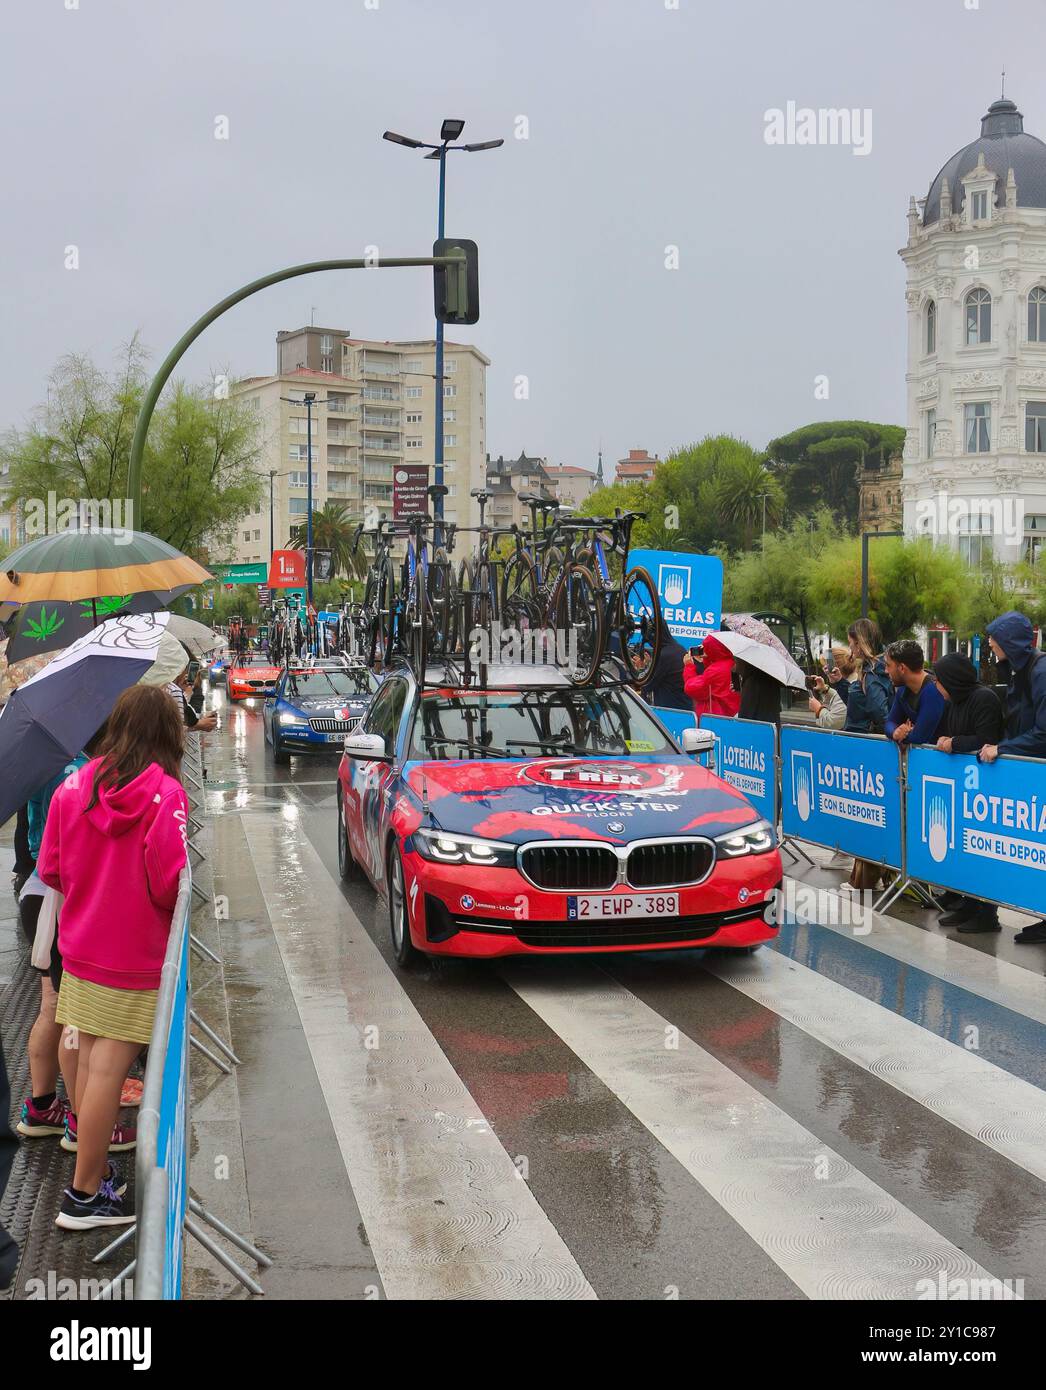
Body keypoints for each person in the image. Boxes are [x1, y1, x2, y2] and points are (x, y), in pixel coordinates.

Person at [37, 685, 188, 1230]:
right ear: (167, 733)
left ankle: (94, 1176)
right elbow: (169, 883)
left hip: (79, 949)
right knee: (106, 1068)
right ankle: (82, 1194)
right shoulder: (165, 795)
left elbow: (49, 869)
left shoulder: (70, 786)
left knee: (83, 1053)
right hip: (135, 956)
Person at [978, 611, 1046, 944]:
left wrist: (1003, 749)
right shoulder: (1020, 670)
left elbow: (1044, 732)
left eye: (995, 638)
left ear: (1011, 641)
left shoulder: (1041, 672)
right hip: (1030, 772)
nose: (989, 643)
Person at [932, 653, 1005, 933]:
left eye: (940, 681)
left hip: (985, 788)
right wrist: (945, 741)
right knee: (964, 846)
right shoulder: (955, 702)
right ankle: (969, 903)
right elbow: (953, 735)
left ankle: (988, 913)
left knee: (981, 848)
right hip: (964, 786)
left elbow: (986, 740)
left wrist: (955, 743)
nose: (937, 687)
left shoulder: (983, 698)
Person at [832, 619, 892, 734]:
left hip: (863, 741)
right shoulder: (875, 667)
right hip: (864, 739)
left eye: (850, 641)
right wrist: (839, 682)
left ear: (859, 643)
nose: (849, 646)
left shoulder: (872, 673)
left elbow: (879, 712)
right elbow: (859, 704)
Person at [884, 639, 946, 747]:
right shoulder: (903, 689)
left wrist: (904, 733)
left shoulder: (933, 692)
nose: (885, 671)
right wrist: (896, 732)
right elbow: (889, 723)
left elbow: (920, 736)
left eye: (888, 666)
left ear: (902, 668)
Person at [682, 634, 740, 717]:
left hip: (712, 718)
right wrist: (708, 658)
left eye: (707, 647)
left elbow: (691, 688)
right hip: (732, 714)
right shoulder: (734, 664)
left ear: (713, 649)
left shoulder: (715, 670)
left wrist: (689, 666)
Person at [641, 626, 690, 711]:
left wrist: (642, 668)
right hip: (684, 707)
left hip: (670, 710)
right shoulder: (679, 648)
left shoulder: (664, 655)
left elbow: (647, 684)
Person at [737, 659, 782, 726]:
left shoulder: (752, 681)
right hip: (772, 727)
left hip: (757, 728)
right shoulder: (772, 678)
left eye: (737, 662)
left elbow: (745, 714)